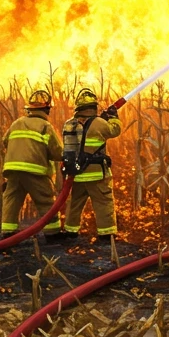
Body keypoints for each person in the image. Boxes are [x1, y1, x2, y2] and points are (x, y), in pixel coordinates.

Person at [0, 89, 64, 240]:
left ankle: (8, 233)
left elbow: (5, 141)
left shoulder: (17, 123)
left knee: (12, 198)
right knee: (45, 199)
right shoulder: (44, 126)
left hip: (13, 169)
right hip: (34, 170)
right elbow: (56, 152)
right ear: (47, 109)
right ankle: (53, 233)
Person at [61, 88, 122, 243]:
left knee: (75, 203)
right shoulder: (99, 123)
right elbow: (114, 131)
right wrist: (114, 117)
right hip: (96, 174)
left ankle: (71, 231)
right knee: (103, 202)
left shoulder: (70, 124)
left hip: (77, 173)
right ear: (94, 107)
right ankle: (106, 235)